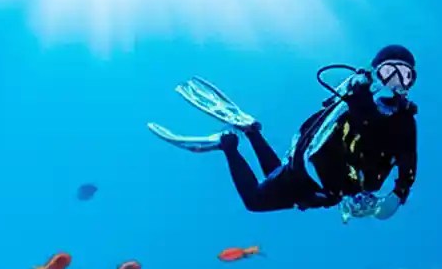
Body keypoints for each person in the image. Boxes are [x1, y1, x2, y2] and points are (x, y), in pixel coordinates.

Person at [148, 44, 418, 215]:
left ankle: (252, 131)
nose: (395, 82)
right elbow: (366, 120)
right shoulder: (357, 96)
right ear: (374, 74)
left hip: (324, 189)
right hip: (312, 176)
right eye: (389, 72)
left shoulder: (405, 121)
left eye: (404, 76)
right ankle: (228, 144)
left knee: (275, 176)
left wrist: (398, 194)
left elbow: (408, 162)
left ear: (410, 83)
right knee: (254, 201)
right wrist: (361, 87)